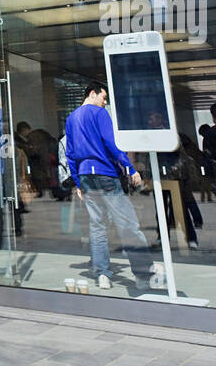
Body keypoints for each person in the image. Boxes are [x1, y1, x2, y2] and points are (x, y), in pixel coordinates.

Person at [65, 80, 152, 290]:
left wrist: (77, 181)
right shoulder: (99, 113)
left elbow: (70, 153)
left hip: (85, 175)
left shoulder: (71, 118)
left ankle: (102, 274)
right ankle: (143, 275)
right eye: (103, 98)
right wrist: (130, 168)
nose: (104, 103)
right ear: (92, 94)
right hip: (104, 173)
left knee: (97, 226)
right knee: (127, 223)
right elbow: (112, 143)